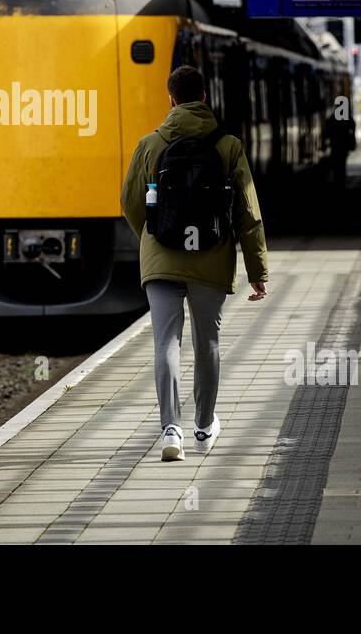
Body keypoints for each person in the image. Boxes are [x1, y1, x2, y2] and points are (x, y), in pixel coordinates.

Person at [120, 65, 269, 461]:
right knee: (208, 342)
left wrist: (152, 241)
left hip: (162, 260)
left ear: (171, 99)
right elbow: (248, 212)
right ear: (204, 97)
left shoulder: (150, 143)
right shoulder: (228, 145)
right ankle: (203, 428)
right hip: (211, 258)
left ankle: (172, 431)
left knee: (166, 342)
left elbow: (130, 203)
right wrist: (258, 272)